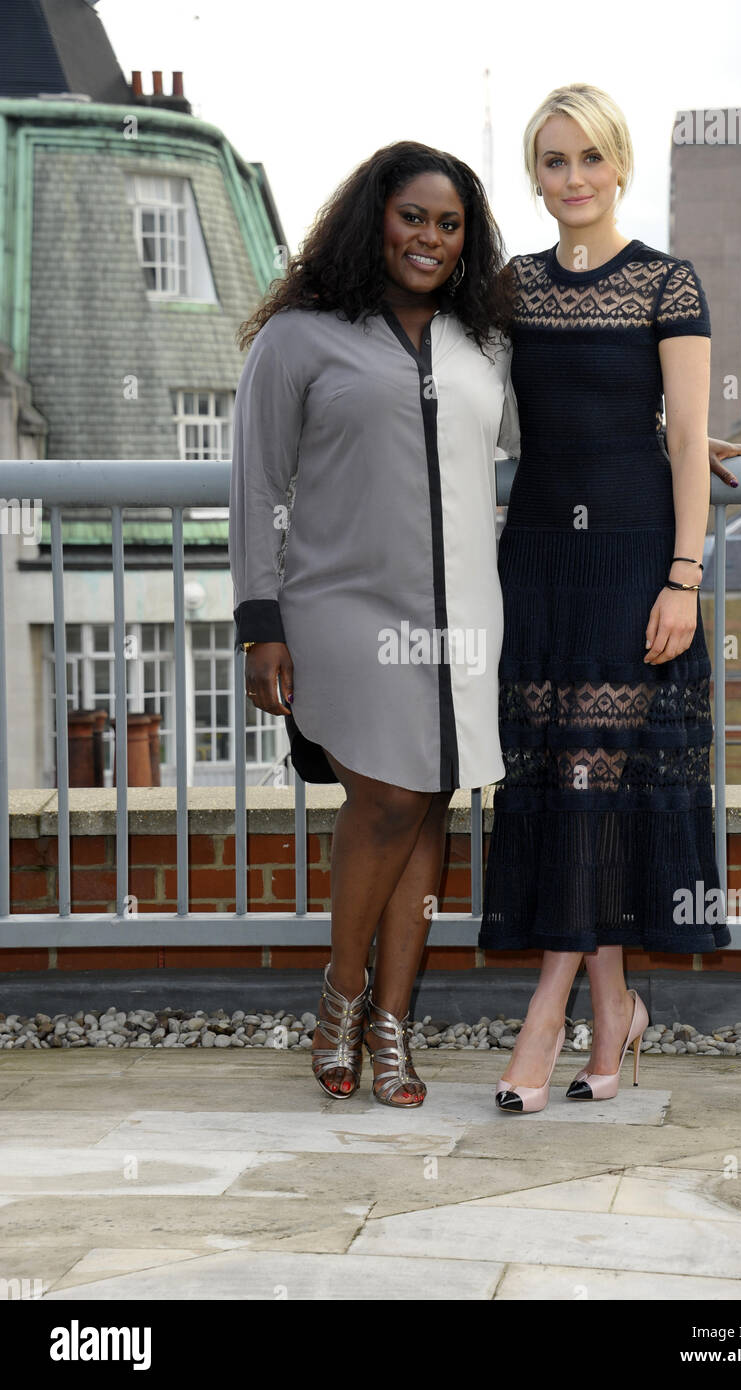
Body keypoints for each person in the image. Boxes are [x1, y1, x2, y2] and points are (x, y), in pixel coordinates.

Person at [229, 142, 515, 1107]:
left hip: (459, 616)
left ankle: (389, 1031)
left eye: (449, 224)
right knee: (389, 798)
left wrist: (677, 437)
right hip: (340, 607)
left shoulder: (483, 343)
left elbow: (554, 435)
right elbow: (258, 483)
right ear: (372, 219)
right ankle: (341, 1001)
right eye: (411, 217)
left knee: (426, 800)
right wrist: (258, 619)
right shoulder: (300, 337)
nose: (429, 239)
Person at [480, 84, 741, 1113]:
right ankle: (615, 1005)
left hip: (637, 563)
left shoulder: (665, 283)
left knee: (601, 780)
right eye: (553, 160)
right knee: (560, 780)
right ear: (535, 174)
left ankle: (547, 1010)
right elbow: (467, 406)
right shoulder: (511, 287)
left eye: (589, 157)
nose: (573, 178)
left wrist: (684, 574)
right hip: (539, 561)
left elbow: (683, 435)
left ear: (619, 163)